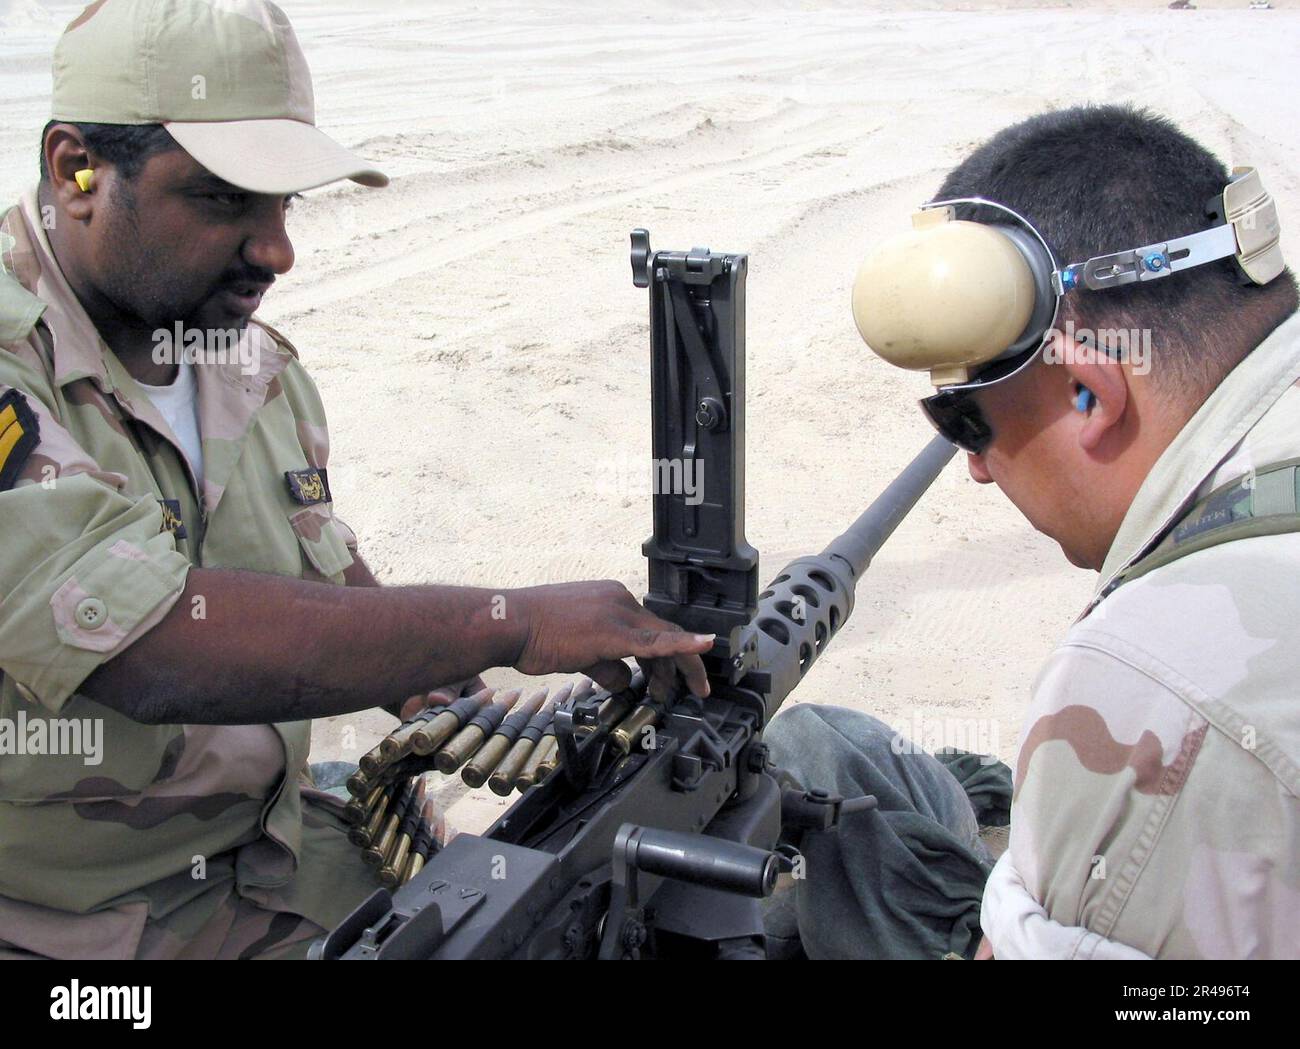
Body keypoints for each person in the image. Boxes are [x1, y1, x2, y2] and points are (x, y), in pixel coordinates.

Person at [0, 0, 711, 960]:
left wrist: (461, 698)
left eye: (285, 204)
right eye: (222, 199)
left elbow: (324, 581)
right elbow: (146, 644)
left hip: (279, 854)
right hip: (62, 929)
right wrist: (516, 620)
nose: (277, 250)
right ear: (75, 168)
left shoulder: (245, 364)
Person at [767, 104, 1299, 959]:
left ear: (1092, 394)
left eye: (970, 424)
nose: (976, 467)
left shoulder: (1154, 685)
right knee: (833, 753)